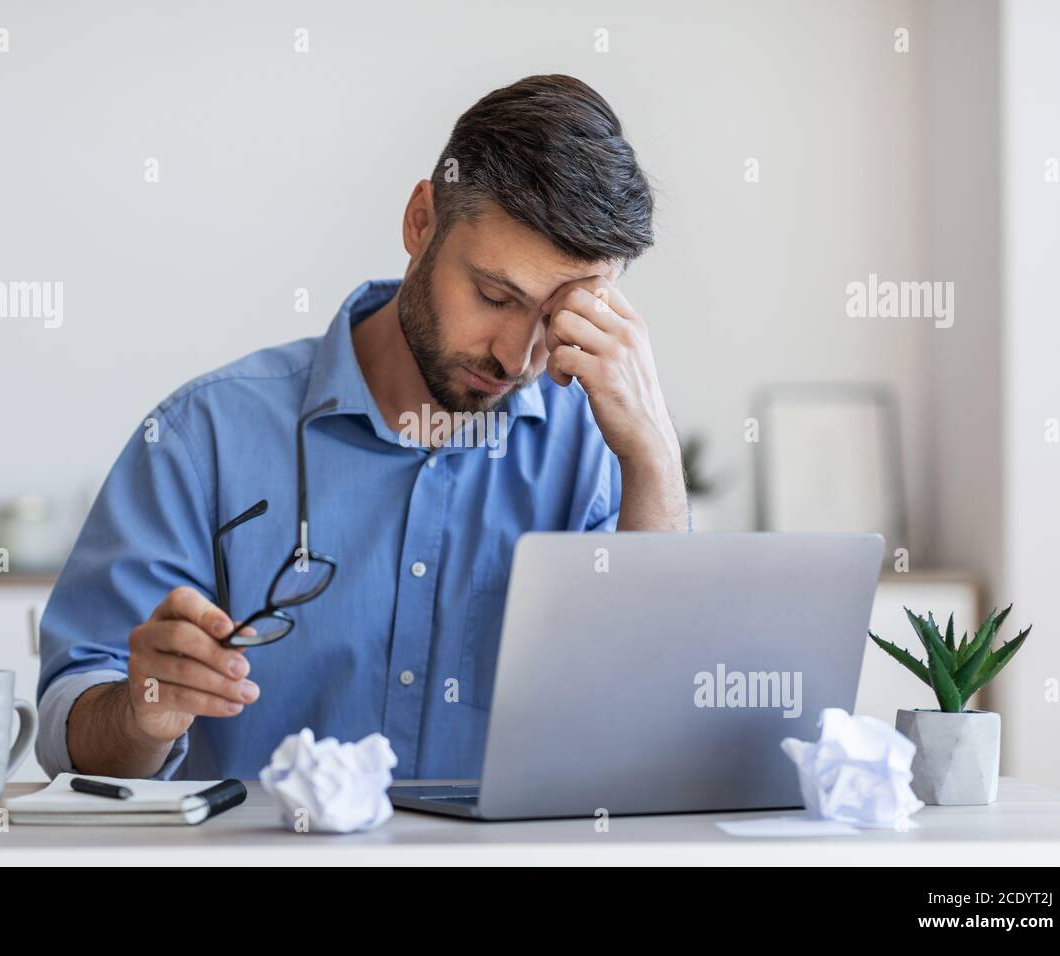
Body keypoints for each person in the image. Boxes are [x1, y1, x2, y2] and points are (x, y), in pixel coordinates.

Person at [37, 74, 688, 781]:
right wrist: (141, 713)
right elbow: (70, 734)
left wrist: (653, 458)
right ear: (420, 221)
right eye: (495, 296)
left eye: (559, 318)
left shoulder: (597, 461)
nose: (515, 355)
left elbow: (651, 738)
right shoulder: (203, 439)